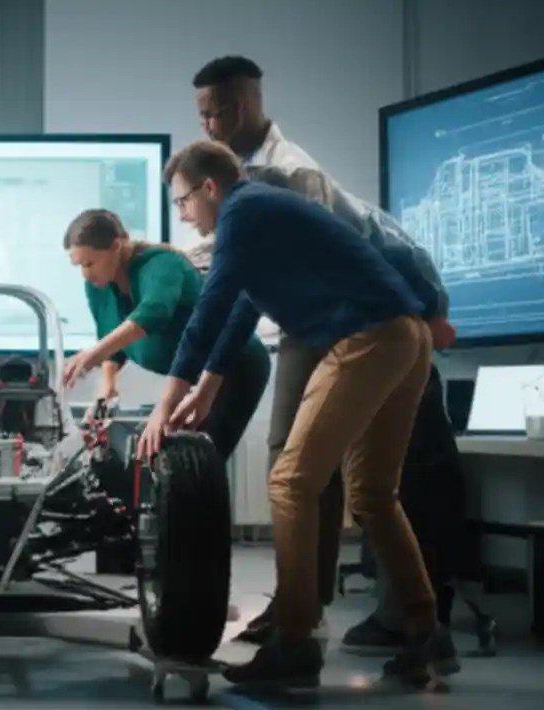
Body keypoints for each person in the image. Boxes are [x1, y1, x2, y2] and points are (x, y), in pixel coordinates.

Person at [142, 140, 458, 688]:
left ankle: (294, 642)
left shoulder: (242, 212)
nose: (184, 214)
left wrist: (164, 404)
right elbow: (243, 306)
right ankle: (426, 631)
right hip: (407, 338)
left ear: (209, 187)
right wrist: (208, 387)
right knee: (372, 494)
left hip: (368, 337)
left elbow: (212, 307)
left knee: (291, 481)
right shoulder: (260, 213)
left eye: (183, 201)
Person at [190, 54, 474, 653]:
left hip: (345, 322)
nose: (206, 127)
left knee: (295, 471)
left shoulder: (286, 174)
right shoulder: (242, 180)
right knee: (335, 476)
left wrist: (196, 380)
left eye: (212, 114)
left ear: (241, 106)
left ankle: (301, 625)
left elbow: (302, 272)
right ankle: (331, 610)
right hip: (363, 319)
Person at [60, 208, 270, 464]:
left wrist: (93, 353)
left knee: (197, 462)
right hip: (190, 377)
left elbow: (155, 312)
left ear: (116, 246)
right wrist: (107, 390)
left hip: (234, 364)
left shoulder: (161, 263)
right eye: (79, 266)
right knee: (175, 464)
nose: (85, 273)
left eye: (89, 263)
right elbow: (112, 342)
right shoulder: (98, 286)